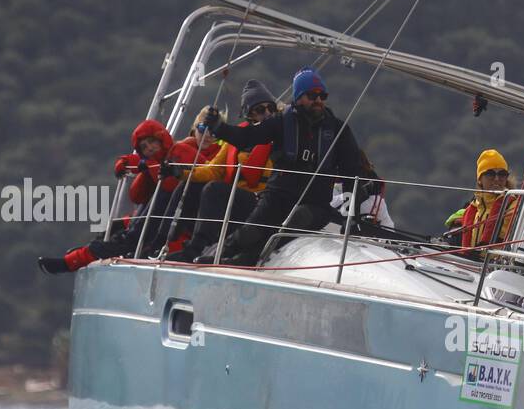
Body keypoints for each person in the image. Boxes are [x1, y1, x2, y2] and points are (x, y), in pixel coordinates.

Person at [200, 67, 364, 265]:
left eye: (322, 95)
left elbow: (351, 174)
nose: (318, 100)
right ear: (299, 98)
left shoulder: (338, 130)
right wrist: (219, 127)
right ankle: (219, 255)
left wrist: (350, 215)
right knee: (248, 233)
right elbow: (246, 137)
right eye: (312, 95)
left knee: (299, 217)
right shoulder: (281, 122)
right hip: (277, 196)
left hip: (316, 205)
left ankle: (249, 259)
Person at [36, 117, 213, 274]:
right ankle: (82, 254)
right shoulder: (156, 162)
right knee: (116, 230)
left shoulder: (181, 151)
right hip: (161, 221)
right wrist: (127, 164)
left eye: (152, 142)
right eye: (144, 147)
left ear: (161, 138)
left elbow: (183, 185)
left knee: (128, 238)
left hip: (181, 223)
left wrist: (147, 165)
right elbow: (136, 188)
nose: (149, 148)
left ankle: (73, 261)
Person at [167, 82, 278, 262]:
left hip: (264, 203)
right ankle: (164, 241)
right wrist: (180, 172)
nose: (266, 113)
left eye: (270, 108)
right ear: (248, 114)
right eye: (259, 109)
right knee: (192, 187)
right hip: (240, 204)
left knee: (215, 190)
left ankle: (199, 248)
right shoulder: (236, 139)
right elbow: (213, 170)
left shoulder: (281, 136)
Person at [443, 149, 519, 250]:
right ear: (480, 179)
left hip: (495, 264)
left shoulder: (514, 206)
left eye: (502, 174)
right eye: (490, 174)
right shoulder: (472, 207)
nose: (496, 178)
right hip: (471, 262)